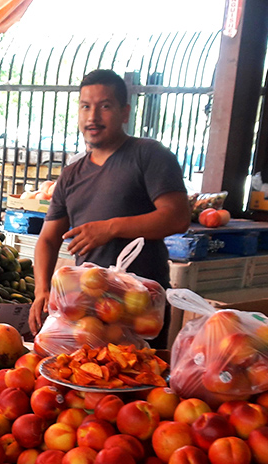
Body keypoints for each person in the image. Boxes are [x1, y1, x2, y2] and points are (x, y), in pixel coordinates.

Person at [28, 68, 192, 348]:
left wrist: (111, 228)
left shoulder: (149, 155)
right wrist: (41, 290)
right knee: (87, 373)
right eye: (85, 107)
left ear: (124, 112)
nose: (92, 117)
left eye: (104, 106)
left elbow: (177, 217)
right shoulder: (71, 174)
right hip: (87, 307)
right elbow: (48, 239)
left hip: (140, 305)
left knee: (137, 373)